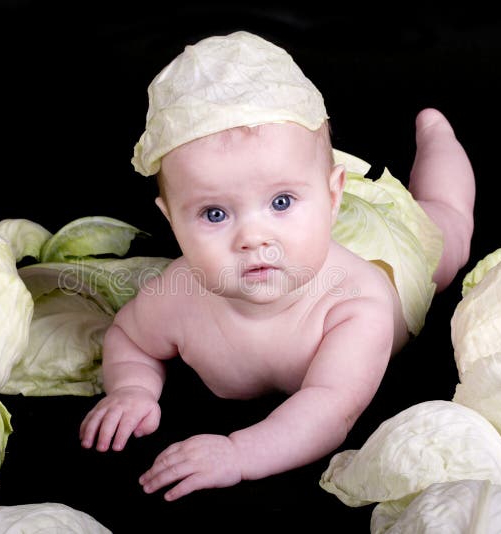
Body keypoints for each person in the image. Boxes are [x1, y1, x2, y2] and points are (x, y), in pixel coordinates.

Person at [79, 31, 475, 501]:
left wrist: (239, 453)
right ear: (171, 219)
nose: (253, 238)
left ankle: (437, 140)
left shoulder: (355, 304)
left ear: (332, 196)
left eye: (281, 202)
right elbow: (129, 337)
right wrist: (132, 388)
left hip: (390, 256)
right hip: (310, 234)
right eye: (214, 214)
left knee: (446, 235)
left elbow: (330, 407)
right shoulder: (177, 294)